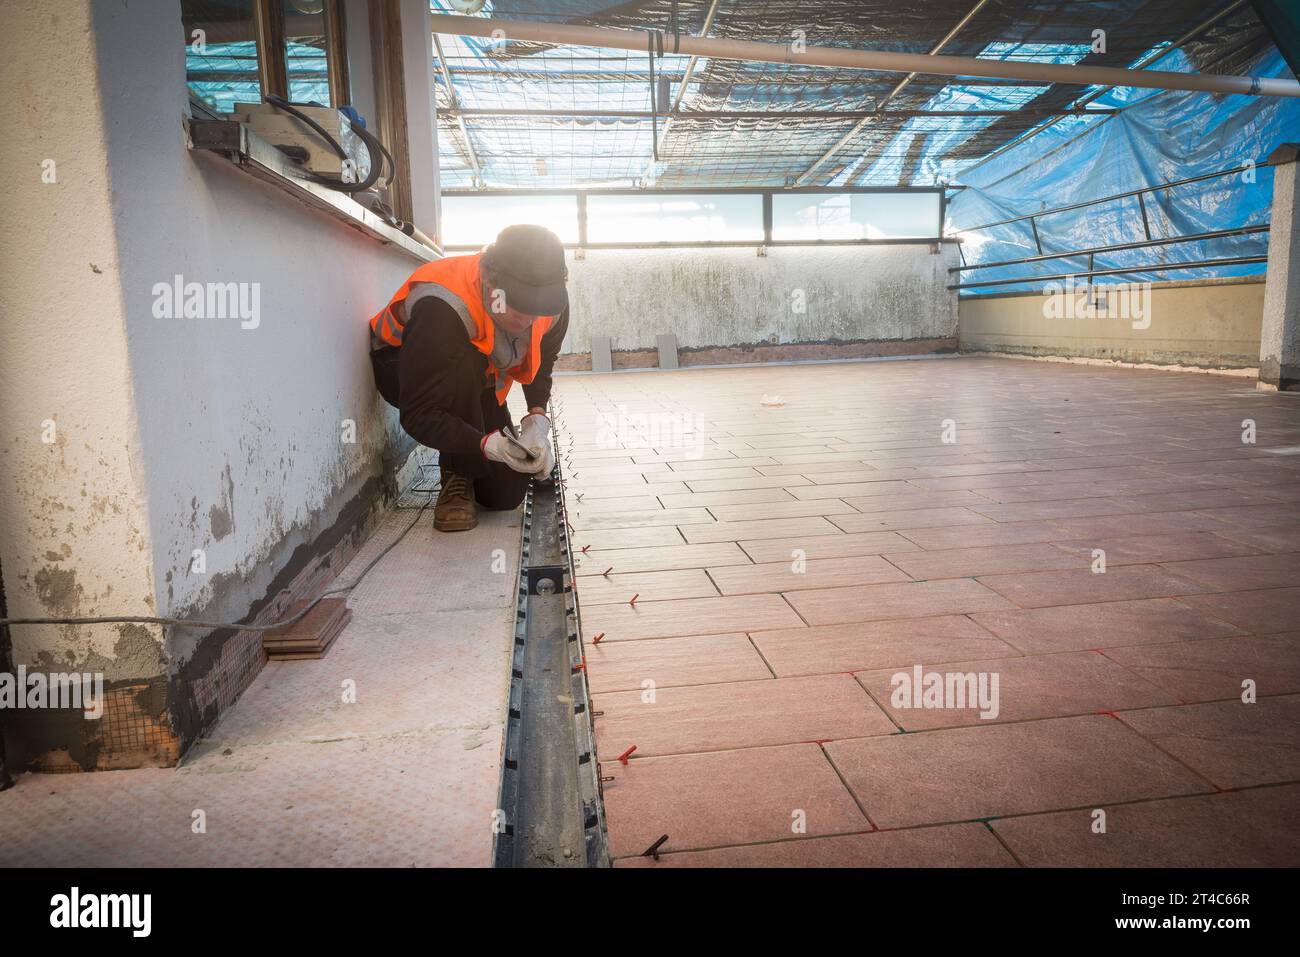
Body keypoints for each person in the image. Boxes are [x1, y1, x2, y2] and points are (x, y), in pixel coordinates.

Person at [368, 224, 568, 531]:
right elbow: (420, 413)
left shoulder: (551, 306)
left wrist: (537, 419)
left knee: (505, 494)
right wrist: (485, 443)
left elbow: (543, 362)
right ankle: (456, 473)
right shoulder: (443, 305)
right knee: (467, 362)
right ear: (490, 278)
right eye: (518, 308)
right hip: (408, 371)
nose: (528, 321)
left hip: (477, 379)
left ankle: (471, 455)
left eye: (537, 310)